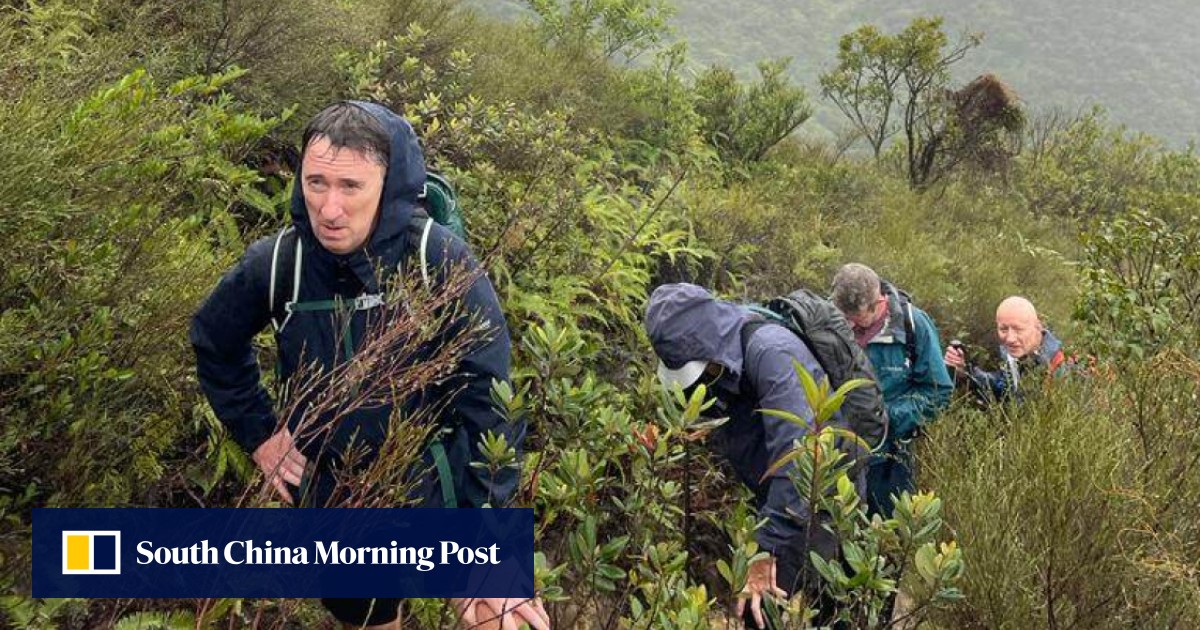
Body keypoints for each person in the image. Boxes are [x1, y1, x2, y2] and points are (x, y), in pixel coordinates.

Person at [190, 101, 548, 630]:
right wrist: (260, 433)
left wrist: (491, 537)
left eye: (350, 187)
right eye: (316, 183)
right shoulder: (280, 263)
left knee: (502, 618)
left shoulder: (438, 260)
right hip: (337, 493)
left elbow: (489, 398)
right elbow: (213, 341)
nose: (329, 208)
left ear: (389, 186)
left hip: (438, 481)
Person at [644, 283, 852, 629]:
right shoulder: (725, 356)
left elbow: (801, 456)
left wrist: (768, 550)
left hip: (819, 498)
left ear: (707, 340)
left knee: (783, 606)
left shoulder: (774, 352)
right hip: (779, 500)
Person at [830, 264, 953, 519]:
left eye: (857, 317)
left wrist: (885, 417)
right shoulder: (827, 320)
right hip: (835, 452)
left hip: (890, 459)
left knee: (886, 533)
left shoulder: (912, 325)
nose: (850, 323)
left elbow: (937, 391)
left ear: (879, 302)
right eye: (845, 316)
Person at [943, 296, 1072, 403]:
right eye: (1003, 329)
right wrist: (966, 371)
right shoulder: (1014, 356)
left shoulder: (1061, 366)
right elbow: (1003, 386)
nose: (1010, 339)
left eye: (1018, 329)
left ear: (1037, 326)